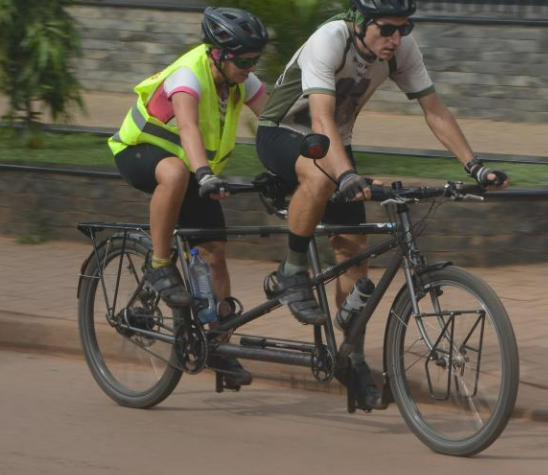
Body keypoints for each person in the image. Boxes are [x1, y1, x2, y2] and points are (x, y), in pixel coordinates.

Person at [255, 0, 508, 408]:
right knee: (320, 176)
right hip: (284, 133)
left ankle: (352, 360)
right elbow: (319, 122)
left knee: (354, 255)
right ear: (361, 22)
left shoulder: (401, 49)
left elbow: (435, 111)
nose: (396, 39)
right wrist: (345, 175)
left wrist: (475, 167)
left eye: (404, 29)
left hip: (336, 143)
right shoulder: (329, 40)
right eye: (387, 29)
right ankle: (291, 272)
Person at [109, 7, 270, 387]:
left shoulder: (239, 78)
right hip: (139, 152)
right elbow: (187, 127)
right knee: (175, 172)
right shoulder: (187, 74)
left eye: (255, 59)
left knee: (215, 253)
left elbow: (277, 117)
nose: (250, 67)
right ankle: (160, 263)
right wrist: (205, 175)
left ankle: (218, 348)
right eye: (244, 59)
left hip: (193, 171)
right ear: (216, 53)